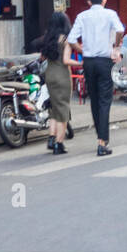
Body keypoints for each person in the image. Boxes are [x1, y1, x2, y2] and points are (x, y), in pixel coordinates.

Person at [68, 0, 125, 156]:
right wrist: (115, 46)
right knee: (105, 100)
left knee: (94, 99)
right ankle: (102, 141)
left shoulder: (82, 16)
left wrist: (81, 50)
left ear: (89, 2)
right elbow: (120, 30)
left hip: (89, 62)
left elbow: (71, 40)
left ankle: (100, 137)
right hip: (104, 61)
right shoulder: (110, 14)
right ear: (104, 1)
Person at [40, 11, 79, 154]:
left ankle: (52, 137)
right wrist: (81, 64)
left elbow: (42, 58)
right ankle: (59, 143)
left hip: (49, 75)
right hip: (62, 75)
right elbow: (66, 61)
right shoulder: (66, 39)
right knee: (63, 110)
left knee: (55, 108)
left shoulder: (47, 38)